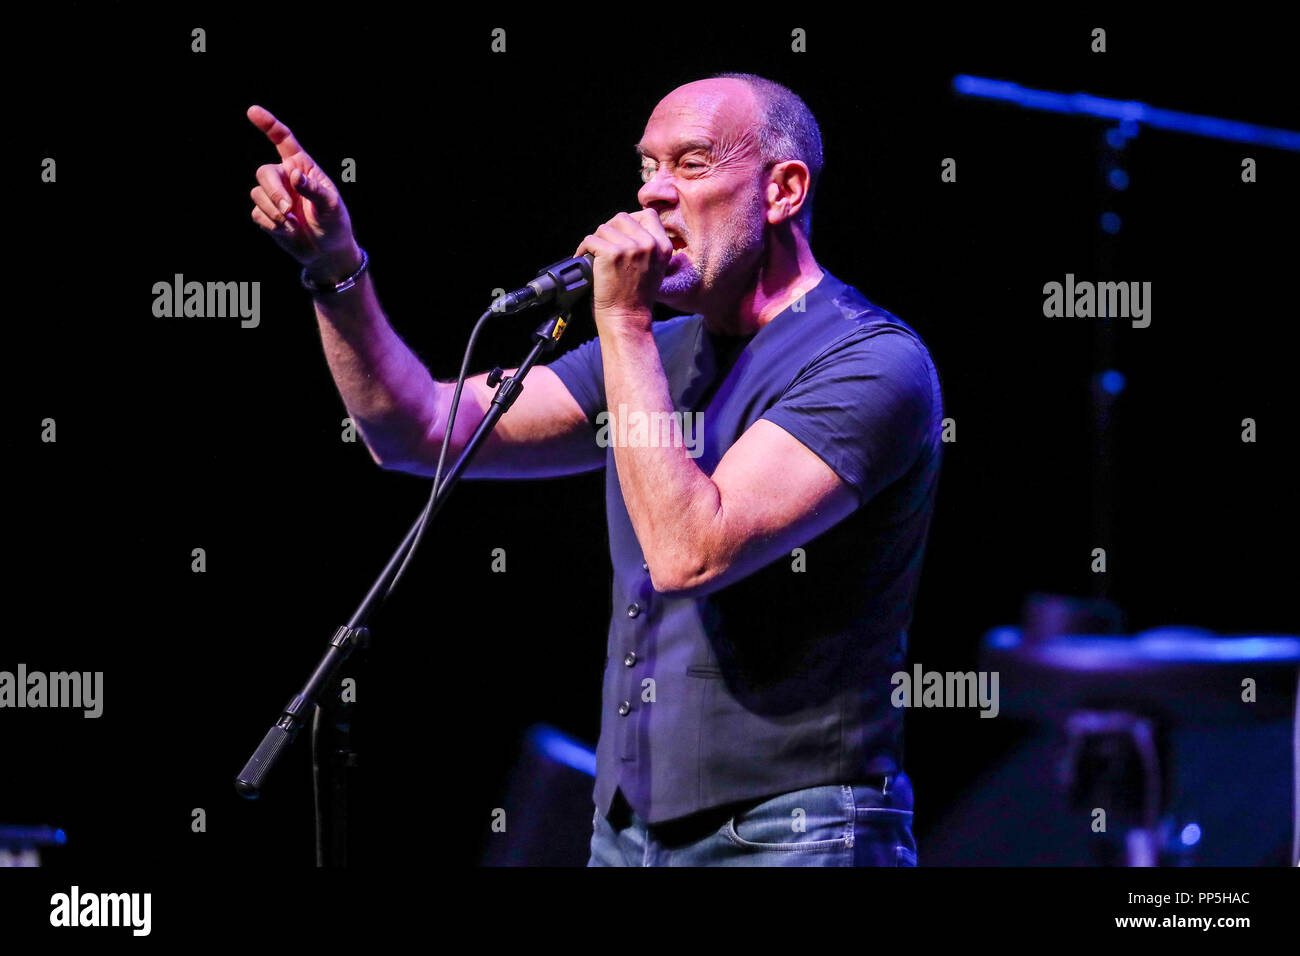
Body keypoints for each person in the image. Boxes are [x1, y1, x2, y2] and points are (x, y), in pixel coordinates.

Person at [245, 72, 943, 867]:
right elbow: (419, 430)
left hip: (794, 835)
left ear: (782, 190)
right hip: (626, 830)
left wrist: (620, 320)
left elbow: (691, 551)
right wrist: (337, 269)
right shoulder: (661, 351)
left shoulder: (870, 362)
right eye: (646, 167)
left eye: (691, 163)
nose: (653, 196)